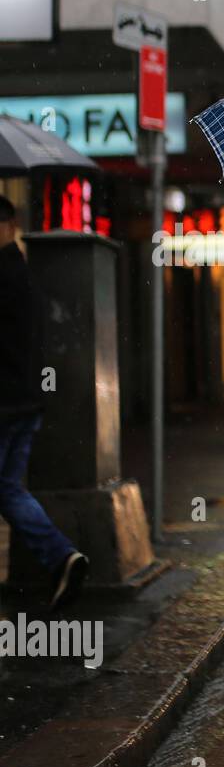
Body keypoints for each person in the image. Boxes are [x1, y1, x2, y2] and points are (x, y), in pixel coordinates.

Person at [0, 194, 89, 610]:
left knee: (7, 490)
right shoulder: (24, 273)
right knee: (7, 488)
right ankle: (61, 557)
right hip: (25, 403)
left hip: (6, 404)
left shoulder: (5, 275)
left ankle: (59, 554)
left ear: (8, 225)